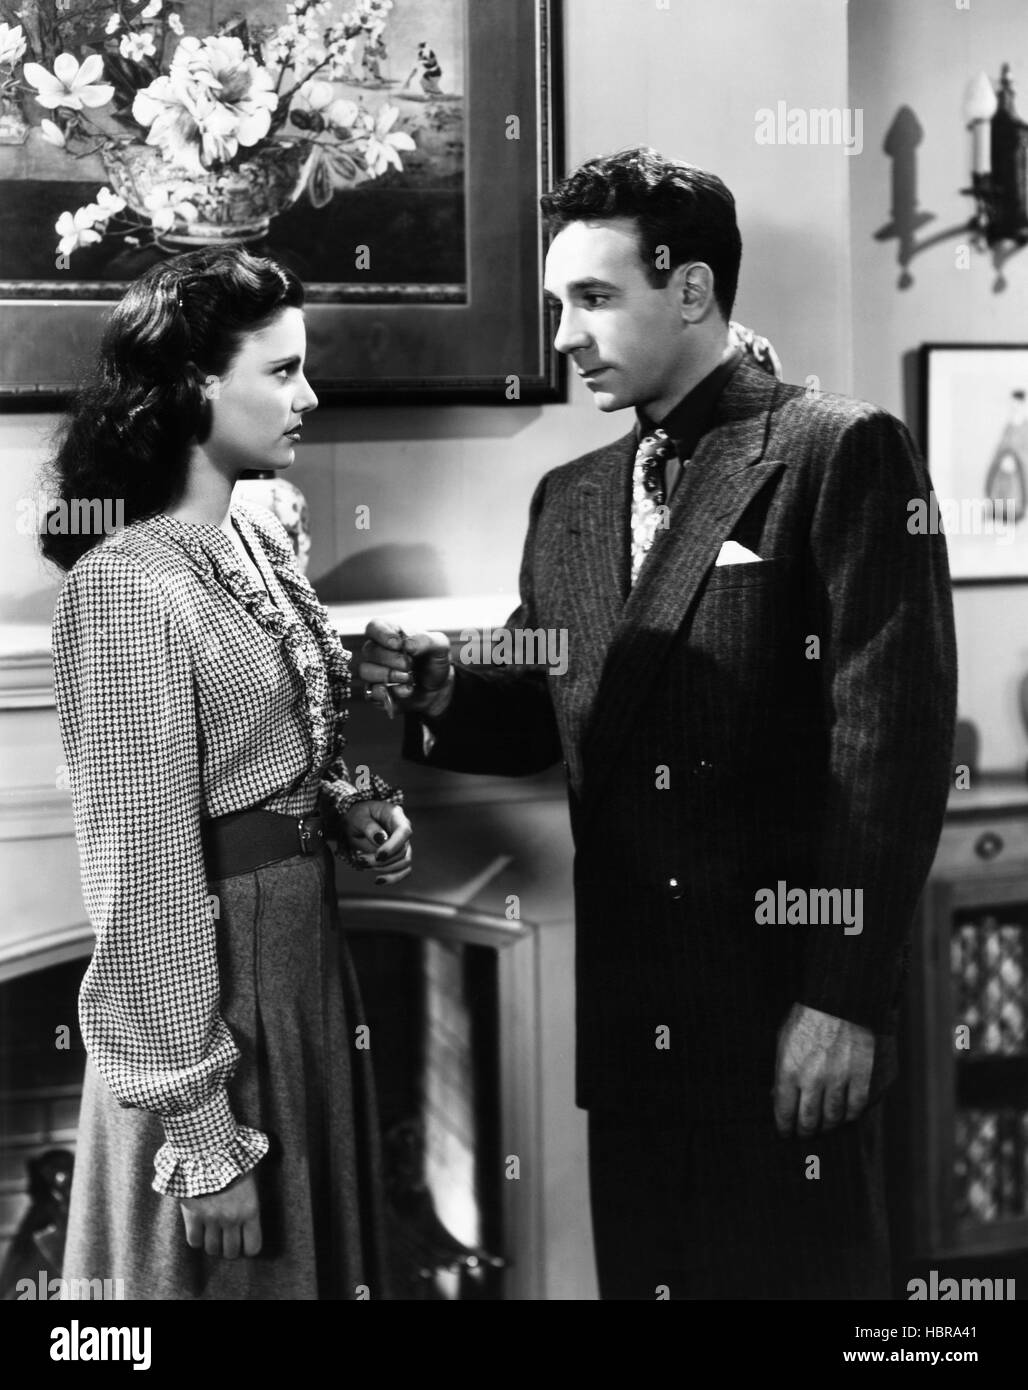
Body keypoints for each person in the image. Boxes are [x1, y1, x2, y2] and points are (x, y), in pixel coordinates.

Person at [359, 147, 957, 1300]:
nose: (565, 337)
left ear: (689, 290)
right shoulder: (571, 496)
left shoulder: (838, 450)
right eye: (554, 306)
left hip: (783, 1019)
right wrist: (443, 691)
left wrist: (839, 1001)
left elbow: (889, 751)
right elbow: (548, 707)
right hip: (633, 1034)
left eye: (593, 298)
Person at [43, 245, 412, 1300]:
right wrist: (203, 1135)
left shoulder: (250, 538)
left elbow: (260, 750)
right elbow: (141, 874)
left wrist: (343, 807)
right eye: (281, 370)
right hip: (213, 994)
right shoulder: (127, 584)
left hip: (299, 968)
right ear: (193, 385)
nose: (309, 395)